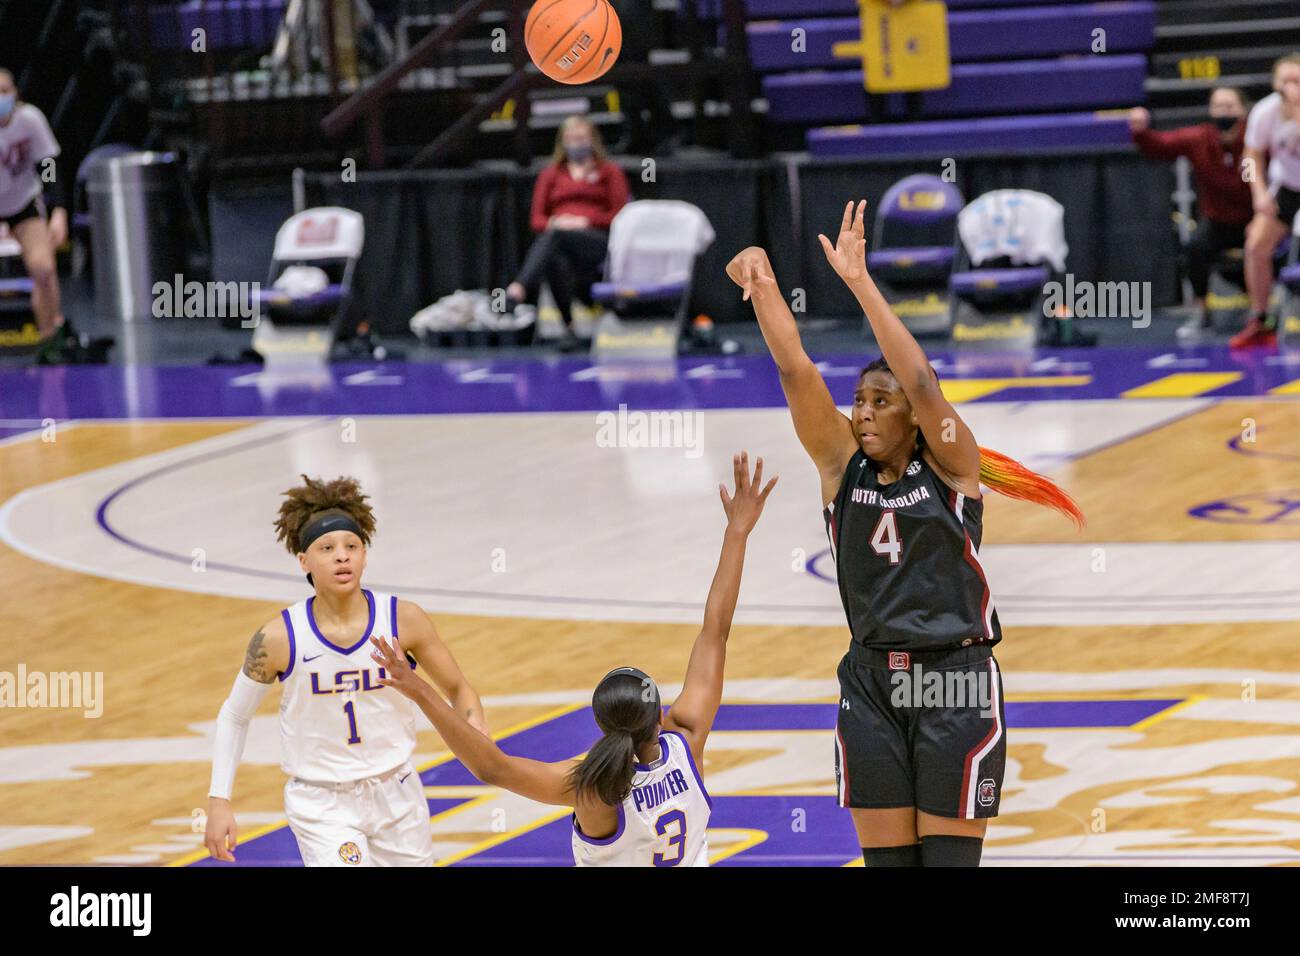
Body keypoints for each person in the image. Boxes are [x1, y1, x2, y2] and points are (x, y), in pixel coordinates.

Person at [725, 202, 1084, 867]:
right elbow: (797, 372)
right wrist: (762, 288)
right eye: (860, 400)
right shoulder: (840, 466)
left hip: (955, 681)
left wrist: (860, 283)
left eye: (879, 402)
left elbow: (918, 378)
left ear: (917, 418)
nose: (863, 412)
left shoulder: (954, 462)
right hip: (871, 683)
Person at [370, 452, 777, 866]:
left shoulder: (590, 787)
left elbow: (493, 768)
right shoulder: (687, 742)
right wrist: (737, 532)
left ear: (599, 724)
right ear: (659, 717)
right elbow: (716, 630)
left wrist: (419, 690)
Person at [204, 475, 488, 867]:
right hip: (323, 801)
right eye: (327, 548)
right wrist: (219, 800)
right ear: (304, 561)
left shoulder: (404, 619)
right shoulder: (279, 638)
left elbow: (459, 688)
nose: (342, 556)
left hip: (397, 790)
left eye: (351, 546)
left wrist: (477, 735)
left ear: (365, 555)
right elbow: (235, 715)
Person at [1129, 88, 1253, 341]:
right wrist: (1140, 131)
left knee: (1267, 248)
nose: (1223, 112)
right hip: (1217, 221)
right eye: (1218, 106)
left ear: (1243, 110)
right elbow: (1160, 145)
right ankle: (1201, 310)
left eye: (1229, 106)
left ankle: (1261, 310)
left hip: (1255, 219)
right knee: (1195, 248)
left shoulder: (1256, 137)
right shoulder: (1200, 138)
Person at [505, 116, 629, 352]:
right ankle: (569, 328)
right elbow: (537, 220)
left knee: (556, 236)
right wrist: (555, 221)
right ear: (562, 142)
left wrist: (585, 221)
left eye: (581, 138)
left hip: (598, 241)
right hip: (560, 242)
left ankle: (518, 288)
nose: (576, 143)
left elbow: (621, 216)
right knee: (554, 253)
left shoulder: (610, 172)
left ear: (593, 141)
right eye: (571, 139)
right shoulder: (550, 174)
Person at [0, 67, 72, 365]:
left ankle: (49, 340)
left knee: (43, 269)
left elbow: (49, 165)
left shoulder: (30, 120)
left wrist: (58, 211)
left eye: (4, 91)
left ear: (15, 92)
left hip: (23, 203)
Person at [1236, 53, 1300, 349]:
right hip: (1285, 187)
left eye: (1296, 80)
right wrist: (1258, 193)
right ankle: (1260, 318)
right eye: (1284, 81)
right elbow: (1250, 157)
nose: (1289, 87)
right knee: (1256, 243)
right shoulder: (1265, 111)